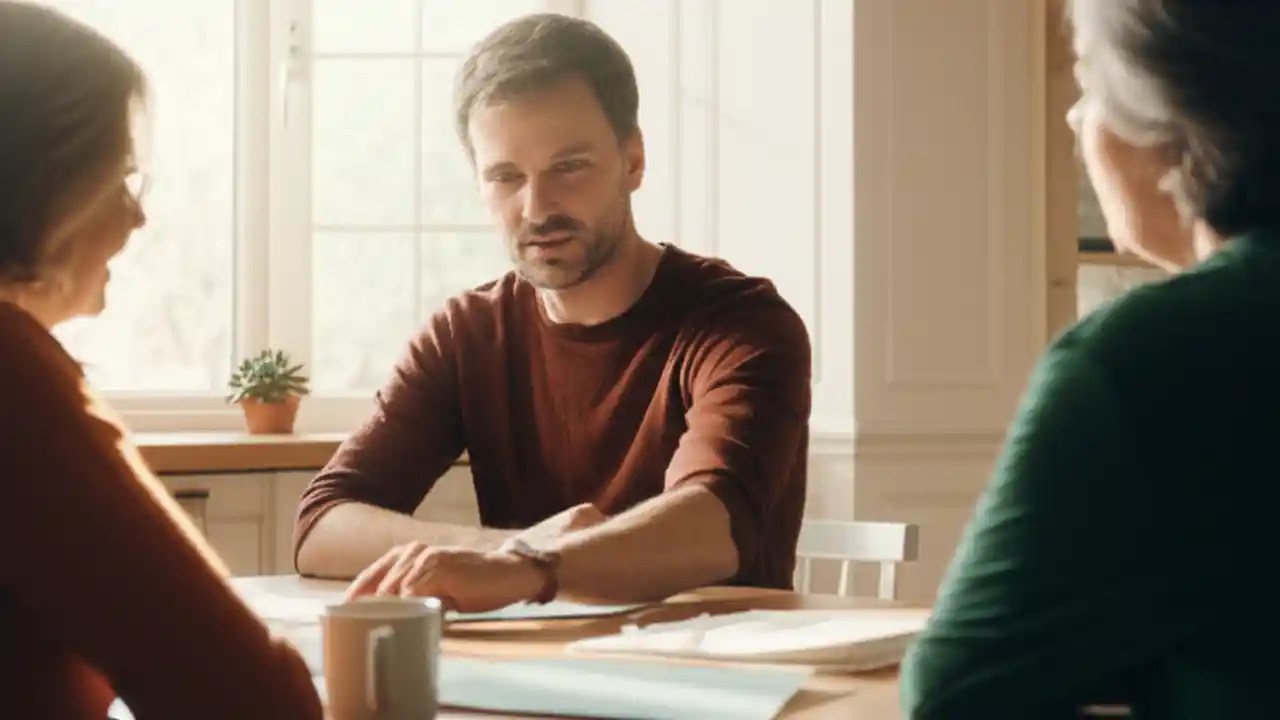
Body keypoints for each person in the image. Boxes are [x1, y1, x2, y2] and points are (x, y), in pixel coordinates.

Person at [293, 13, 812, 610]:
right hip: (531, 670)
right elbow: (321, 524)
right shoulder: (467, 335)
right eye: (506, 176)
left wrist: (529, 568)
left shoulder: (743, 323)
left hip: (720, 677)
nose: (536, 208)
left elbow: (713, 524)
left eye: (569, 167)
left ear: (634, 161)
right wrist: (514, 552)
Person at [901, 1, 1280, 717]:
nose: (1077, 121)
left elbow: (959, 697)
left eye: (1091, 85)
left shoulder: (1148, 360)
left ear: (1170, 123)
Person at [0, 4, 321, 718]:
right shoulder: (12, 382)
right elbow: (249, 697)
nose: (137, 218)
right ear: (42, 185)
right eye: (119, 180)